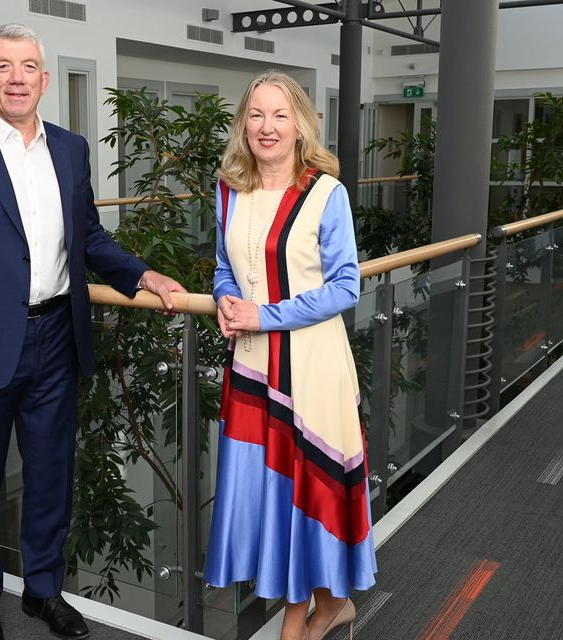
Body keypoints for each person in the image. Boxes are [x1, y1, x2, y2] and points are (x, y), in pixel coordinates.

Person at [0, 23, 185, 640]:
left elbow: (87, 238)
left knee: (51, 476)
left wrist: (144, 275)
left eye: (27, 67)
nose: (16, 78)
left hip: (58, 335)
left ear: (44, 79)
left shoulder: (69, 148)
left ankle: (42, 591)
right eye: (3, 67)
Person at [203, 71, 377, 640]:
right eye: (256, 115)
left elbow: (346, 286)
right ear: (243, 124)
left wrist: (262, 314)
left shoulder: (327, 193)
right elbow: (228, 267)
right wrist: (227, 297)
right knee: (272, 493)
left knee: (305, 487)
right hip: (253, 364)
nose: (267, 127)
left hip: (312, 365)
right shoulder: (228, 187)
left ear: (301, 124)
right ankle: (329, 605)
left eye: (280, 115)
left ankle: (298, 620)